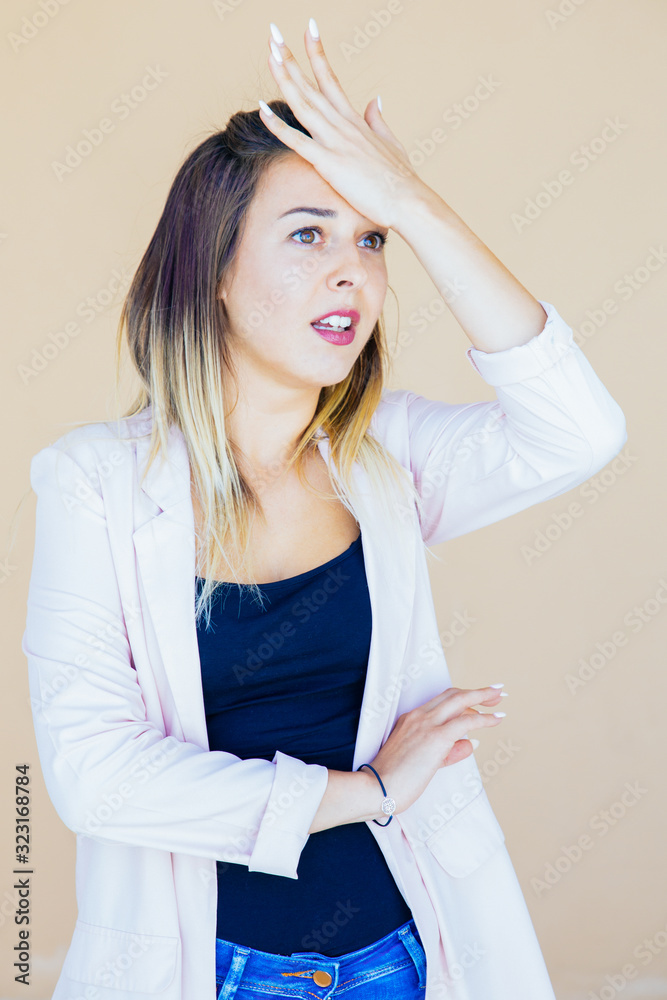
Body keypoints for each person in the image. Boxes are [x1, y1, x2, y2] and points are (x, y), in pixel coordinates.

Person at [21, 18, 627, 1000]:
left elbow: (579, 430)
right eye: (308, 233)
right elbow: (97, 776)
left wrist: (417, 203)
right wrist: (365, 794)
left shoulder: (383, 454)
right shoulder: (92, 482)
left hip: (405, 954)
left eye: (370, 239)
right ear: (213, 270)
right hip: (209, 968)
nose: (354, 270)